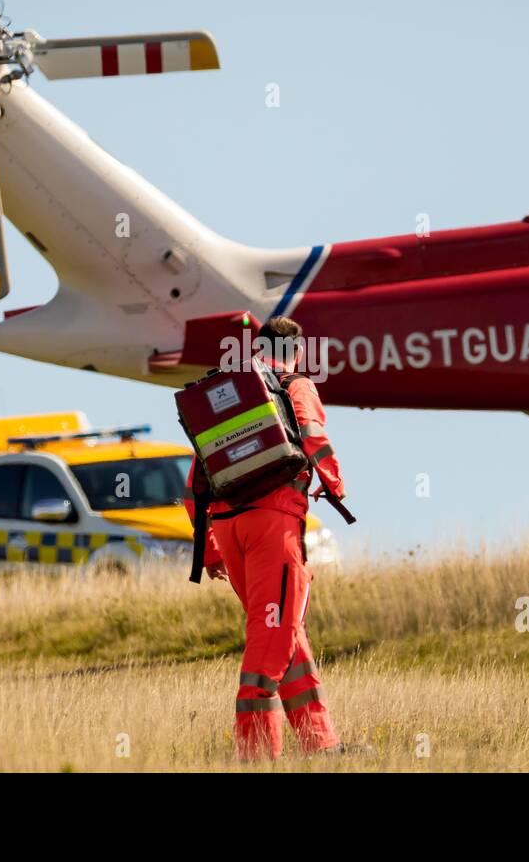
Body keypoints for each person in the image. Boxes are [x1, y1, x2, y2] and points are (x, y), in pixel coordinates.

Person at [185, 315, 348, 760]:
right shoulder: (294, 384)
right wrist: (334, 481)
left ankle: (321, 743)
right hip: (271, 525)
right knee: (272, 635)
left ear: (259, 347)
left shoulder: (236, 392)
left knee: (285, 631)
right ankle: (255, 754)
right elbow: (314, 435)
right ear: (297, 351)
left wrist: (213, 549)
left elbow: (196, 479)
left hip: (227, 526)